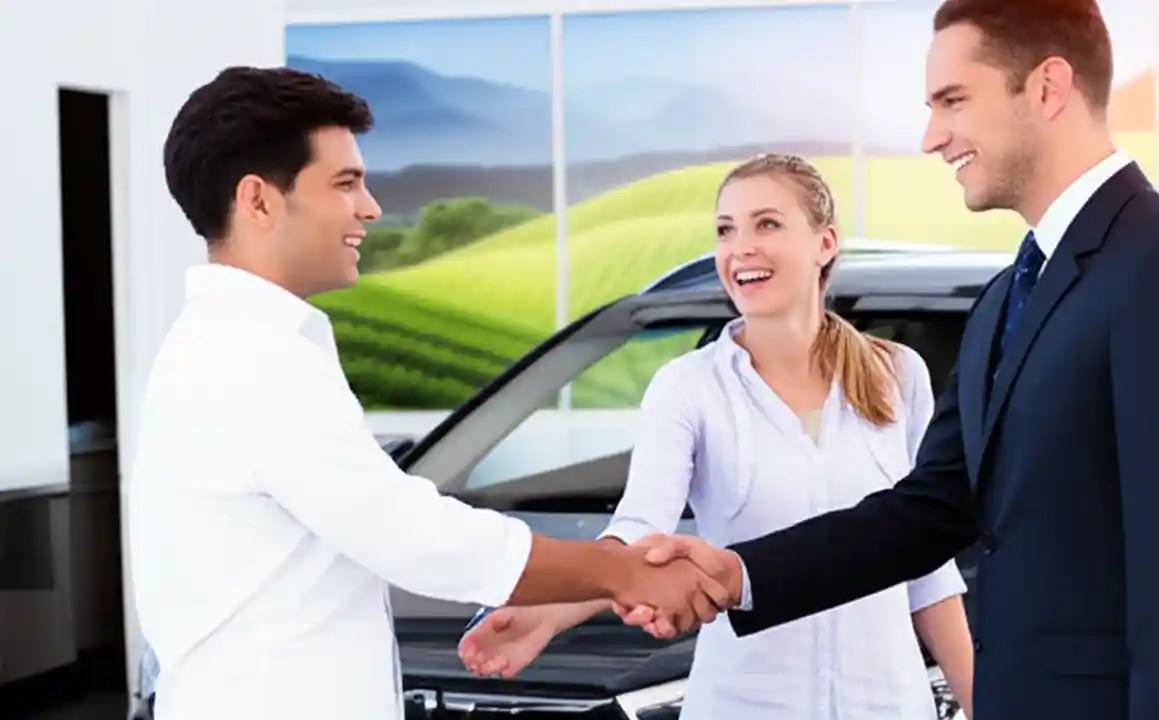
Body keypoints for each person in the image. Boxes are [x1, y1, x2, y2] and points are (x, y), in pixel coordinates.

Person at [621, 2, 1159, 719]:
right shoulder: (1007, 298)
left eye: (953, 101)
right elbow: (931, 509)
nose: (932, 137)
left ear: (1048, 88)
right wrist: (739, 573)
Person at [126, 66, 730, 720]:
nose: (370, 208)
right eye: (345, 183)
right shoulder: (254, 357)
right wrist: (620, 572)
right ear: (260, 201)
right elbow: (407, 532)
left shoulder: (224, 344)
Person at [456, 153, 975, 719]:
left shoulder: (898, 375)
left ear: (824, 243)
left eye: (766, 224)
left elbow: (926, 562)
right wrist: (548, 611)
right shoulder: (687, 386)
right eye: (726, 230)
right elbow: (640, 531)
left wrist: (981, 703)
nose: (740, 248)